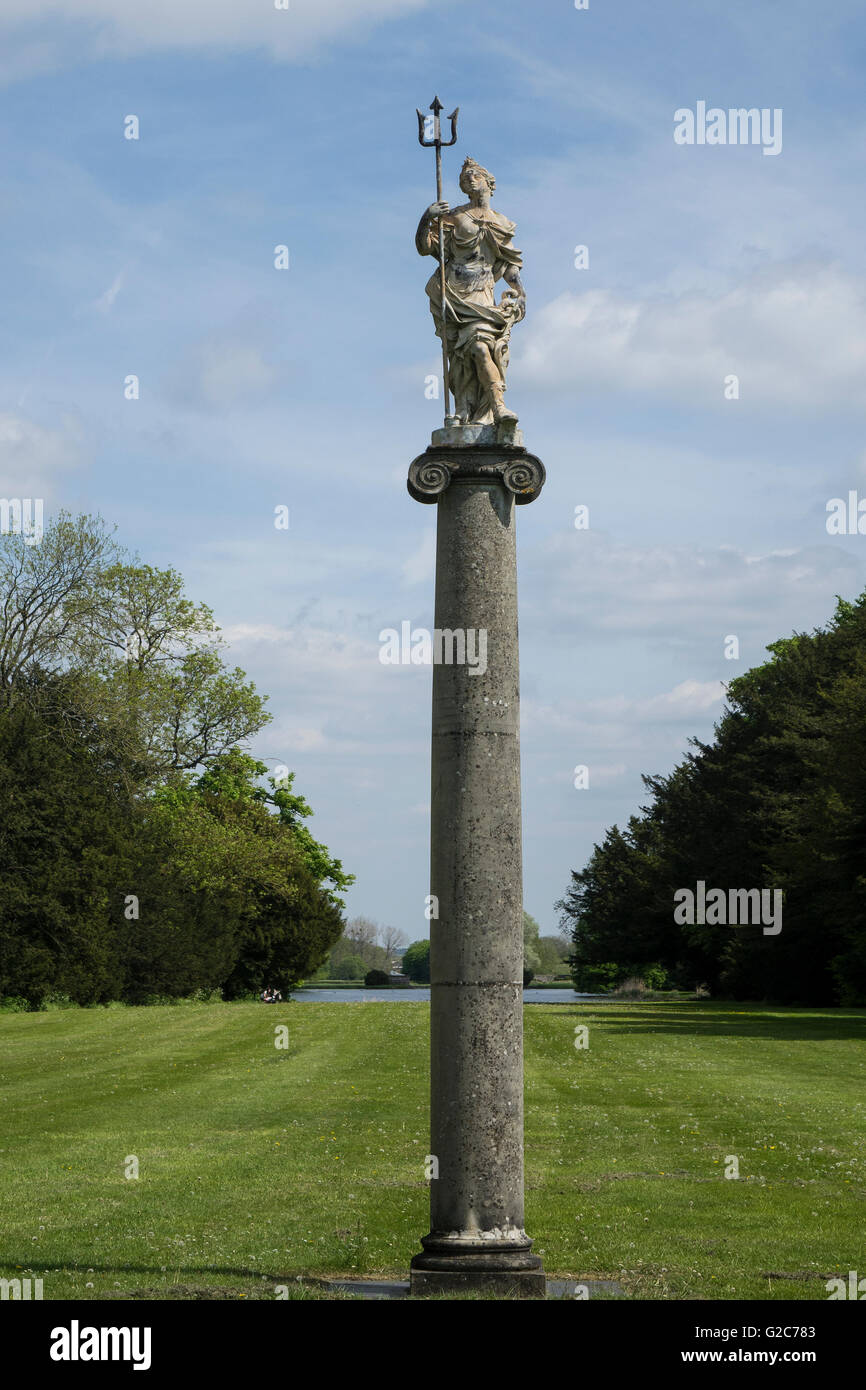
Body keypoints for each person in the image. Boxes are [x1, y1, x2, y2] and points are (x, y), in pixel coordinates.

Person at [415, 156, 526, 426]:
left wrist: (519, 292)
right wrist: (426, 219)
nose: (469, 180)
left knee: (479, 346)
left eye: (474, 176)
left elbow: (510, 266)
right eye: (465, 178)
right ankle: (465, 409)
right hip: (455, 294)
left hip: (483, 295)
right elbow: (425, 248)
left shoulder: (502, 222)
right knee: (461, 357)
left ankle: (497, 407)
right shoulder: (453, 217)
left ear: (489, 183)